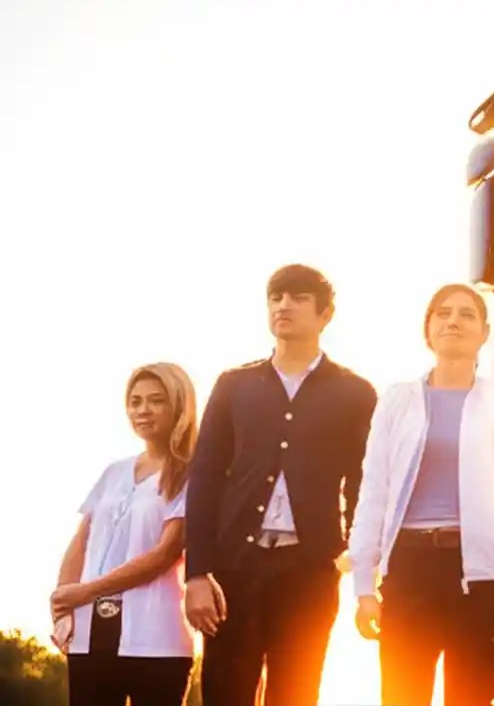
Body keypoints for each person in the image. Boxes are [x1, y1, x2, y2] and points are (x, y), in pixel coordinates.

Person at [183, 264, 378, 706]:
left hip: (308, 573)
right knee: (225, 691)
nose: (283, 306)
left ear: (325, 314)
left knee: (296, 694)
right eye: (276, 297)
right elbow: (205, 478)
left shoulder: (356, 393)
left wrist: (351, 553)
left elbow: (364, 485)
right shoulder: (234, 385)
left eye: (297, 298)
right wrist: (196, 572)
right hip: (234, 570)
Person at [348, 283, 494, 706]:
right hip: (410, 572)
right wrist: (363, 585)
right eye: (442, 313)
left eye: (467, 314)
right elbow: (373, 491)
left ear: (485, 332)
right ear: (427, 330)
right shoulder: (397, 399)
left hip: (481, 576)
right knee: (402, 697)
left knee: (471, 697)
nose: (453, 321)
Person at [52, 363, 199, 706]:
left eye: (155, 400)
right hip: (90, 635)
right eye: (134, 401)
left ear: (178, 405)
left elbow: (164, 554)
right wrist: (62, 608)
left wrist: (85, 592)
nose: (142, 410)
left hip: (155, 638)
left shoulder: (192, 473)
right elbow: (81, 543)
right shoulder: (113, 472)